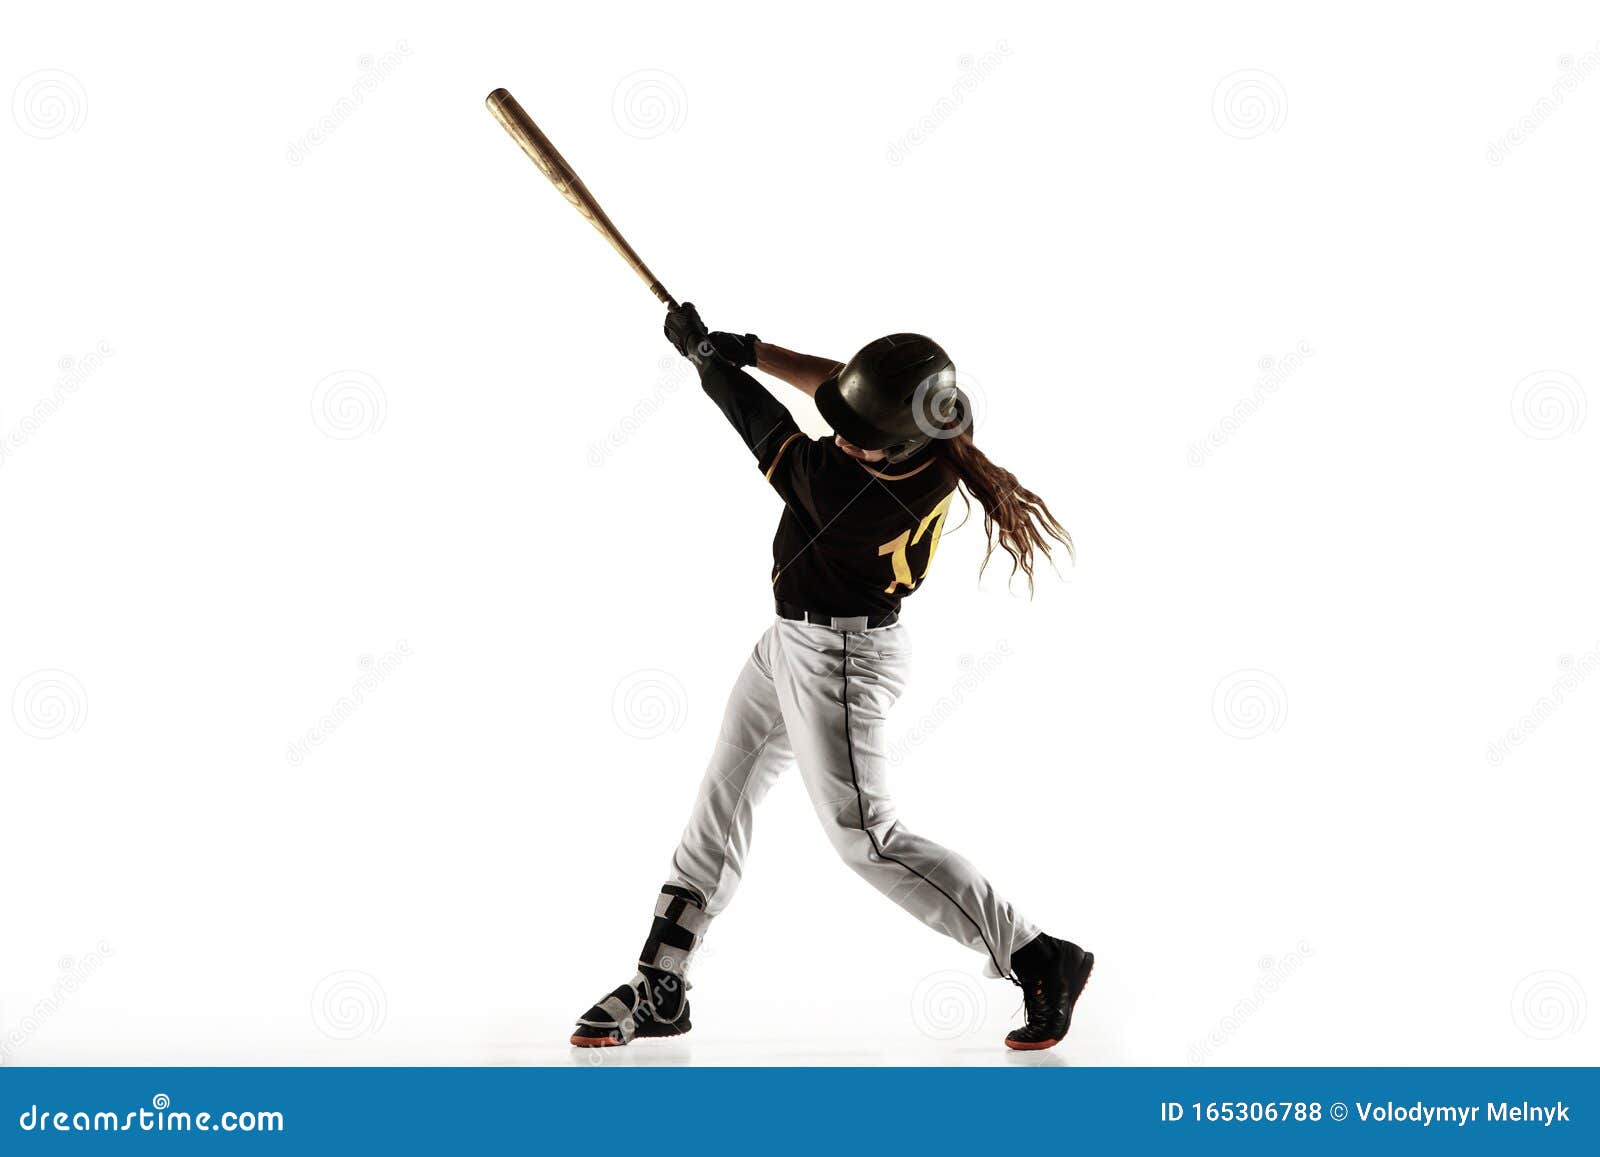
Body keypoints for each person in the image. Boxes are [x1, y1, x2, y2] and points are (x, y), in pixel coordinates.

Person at [571, 304, 1090, 1051]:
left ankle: (1037, 955)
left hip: (840, 662)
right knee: (725, 792)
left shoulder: (852, 495)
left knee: (867, 838)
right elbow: (836, 388)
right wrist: (748, 346)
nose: (843, 436)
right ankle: (664, 981)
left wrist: (710, 366)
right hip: (794, 639)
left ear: (899, 441)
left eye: (861, 436)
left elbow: (764, 430)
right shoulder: (941, 427)